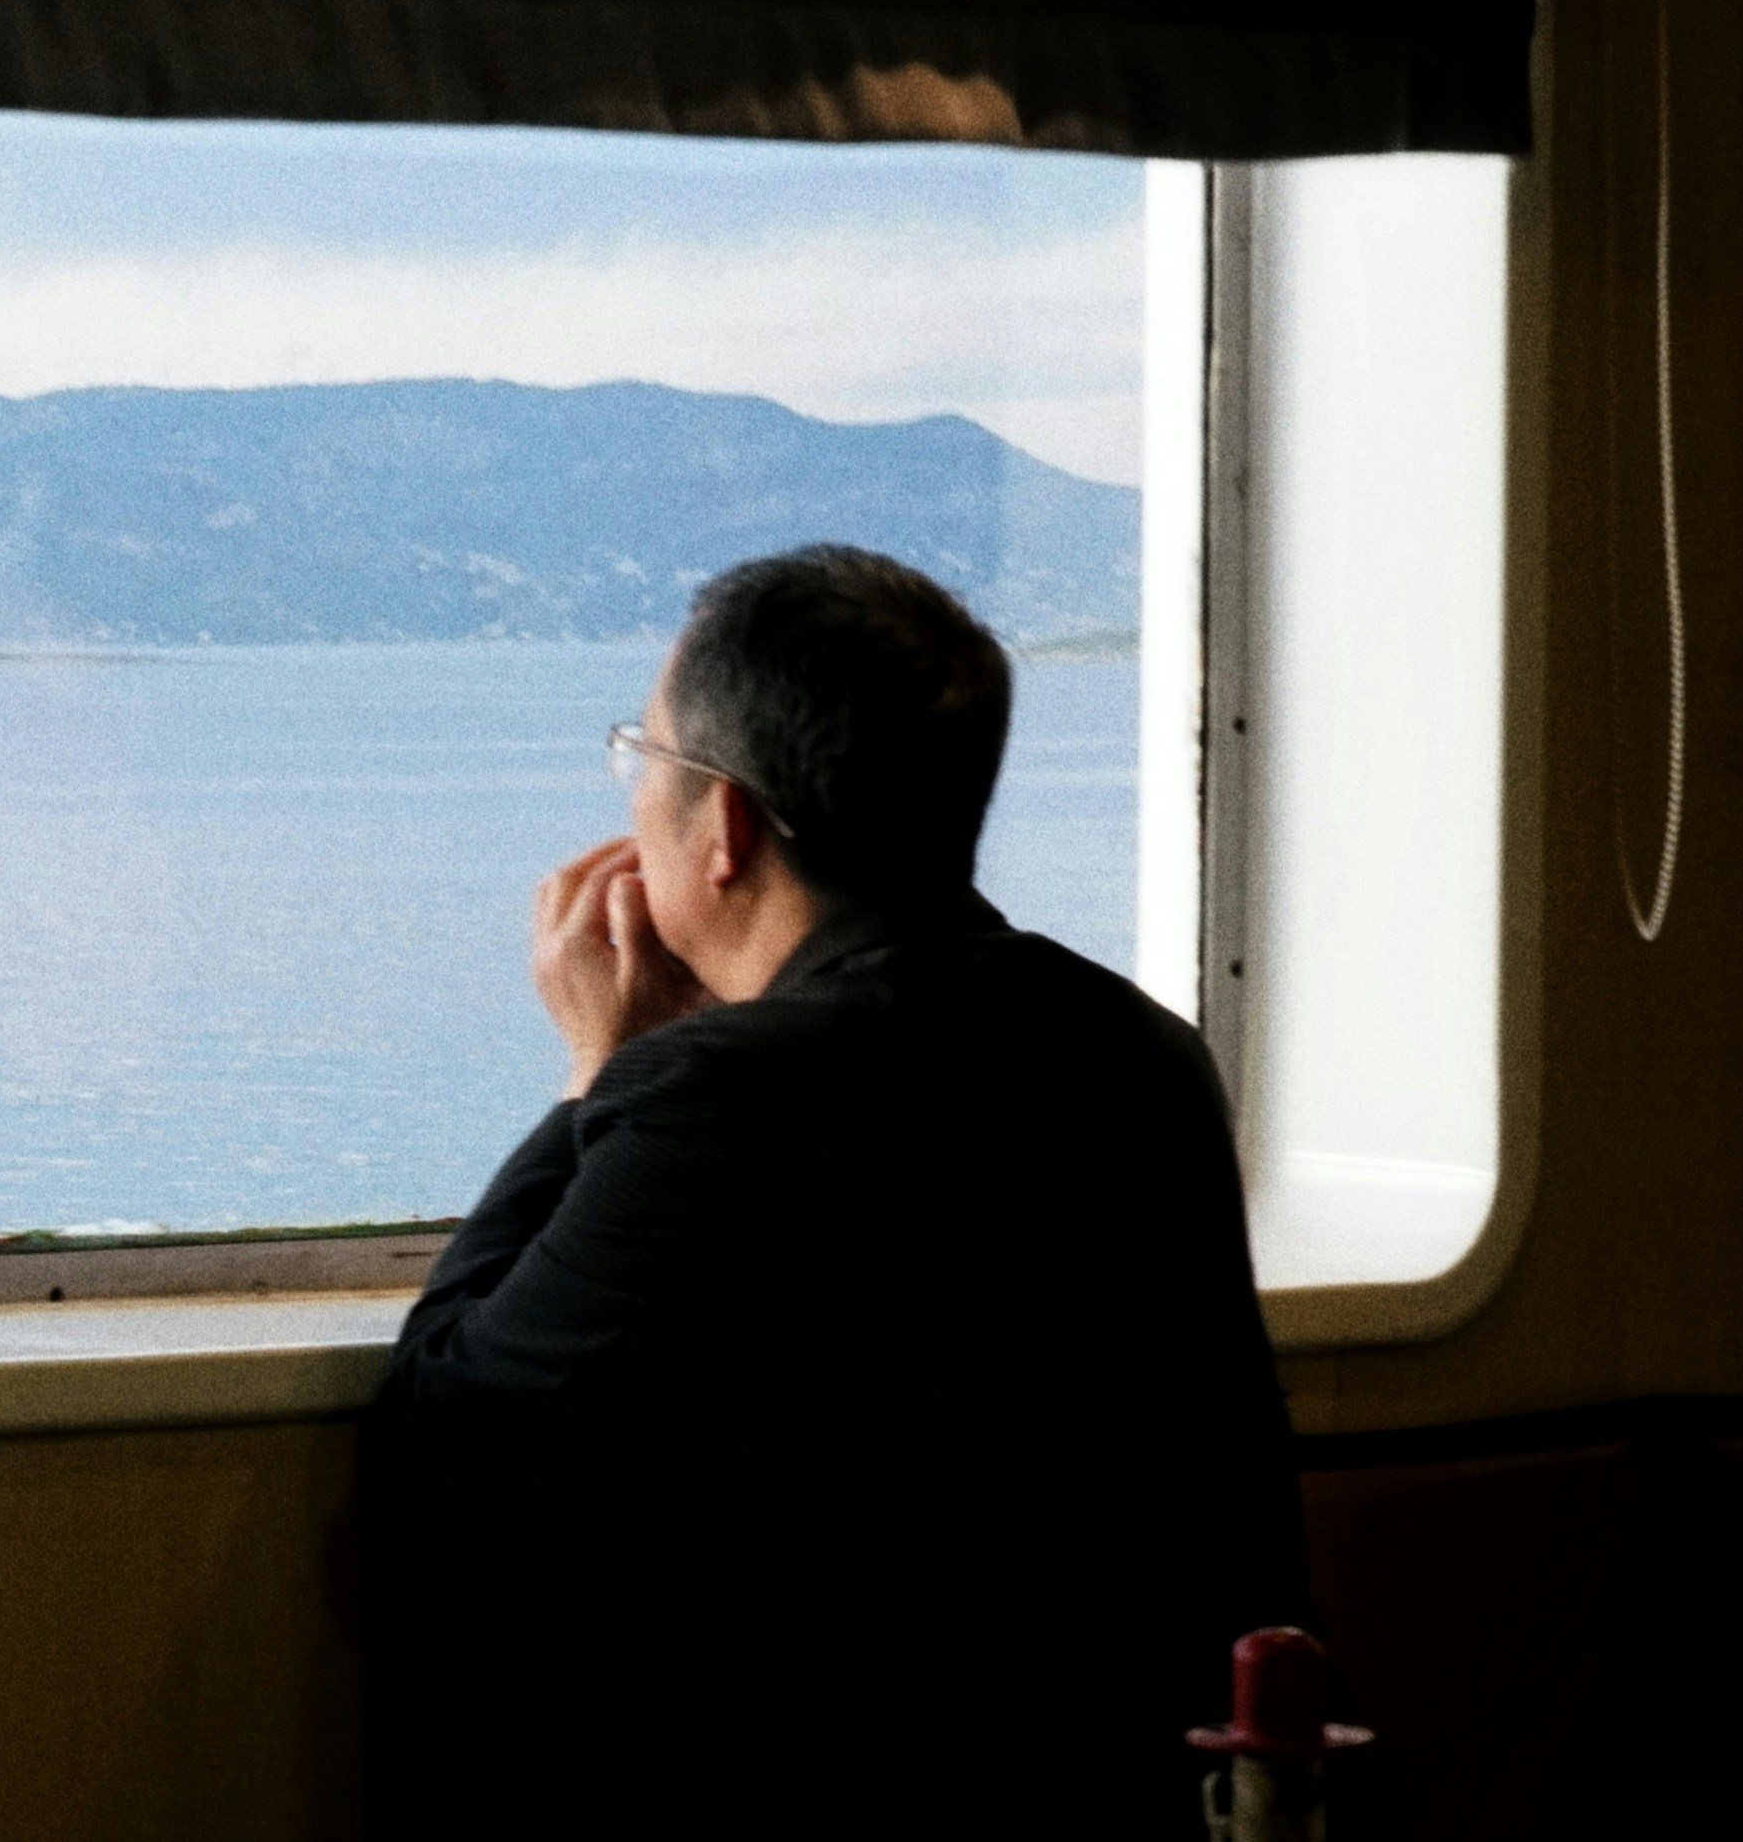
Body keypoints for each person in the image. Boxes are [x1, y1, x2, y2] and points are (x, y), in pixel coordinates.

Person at [356, 545, 1306, 1839]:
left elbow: (441, 1437)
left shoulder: (715, 1096)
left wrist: (593, 1069)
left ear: (726, 829)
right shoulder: (1143, 1054)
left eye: (644, 755)